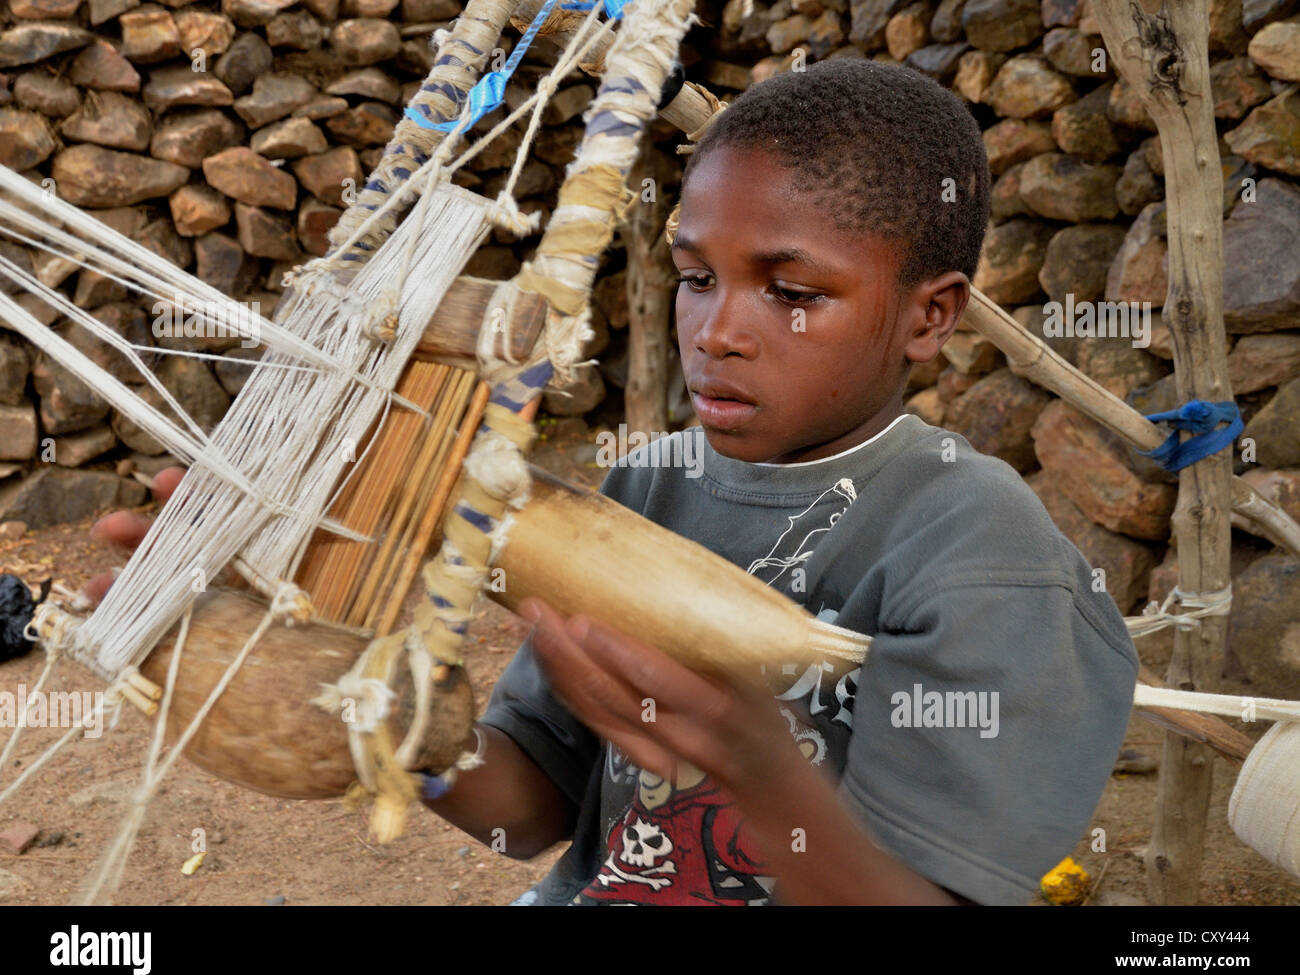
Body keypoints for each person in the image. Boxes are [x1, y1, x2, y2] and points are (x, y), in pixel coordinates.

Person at [93, 59, 1140, 906]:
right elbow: (536, 816)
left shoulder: (973, 548)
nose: (717, 331)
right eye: (694, 278)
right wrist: (389, 718)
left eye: (791, 291)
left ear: (930, 314)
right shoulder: (644, 491)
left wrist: (760, 774)